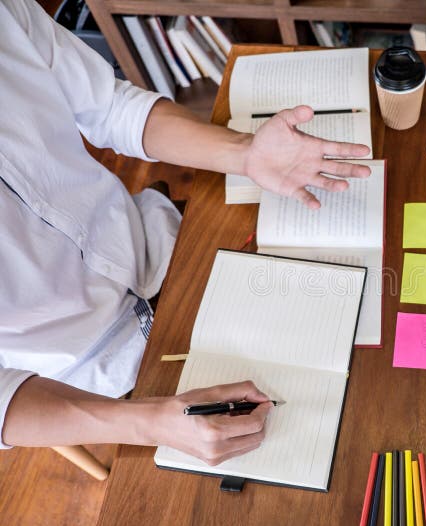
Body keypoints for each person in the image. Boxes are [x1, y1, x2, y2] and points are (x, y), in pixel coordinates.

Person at [0, 0, 370, 465]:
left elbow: (110, 107)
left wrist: (244, 153)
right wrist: (152, 422)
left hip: (161, 242)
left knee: (351, 350)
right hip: (99, 378)